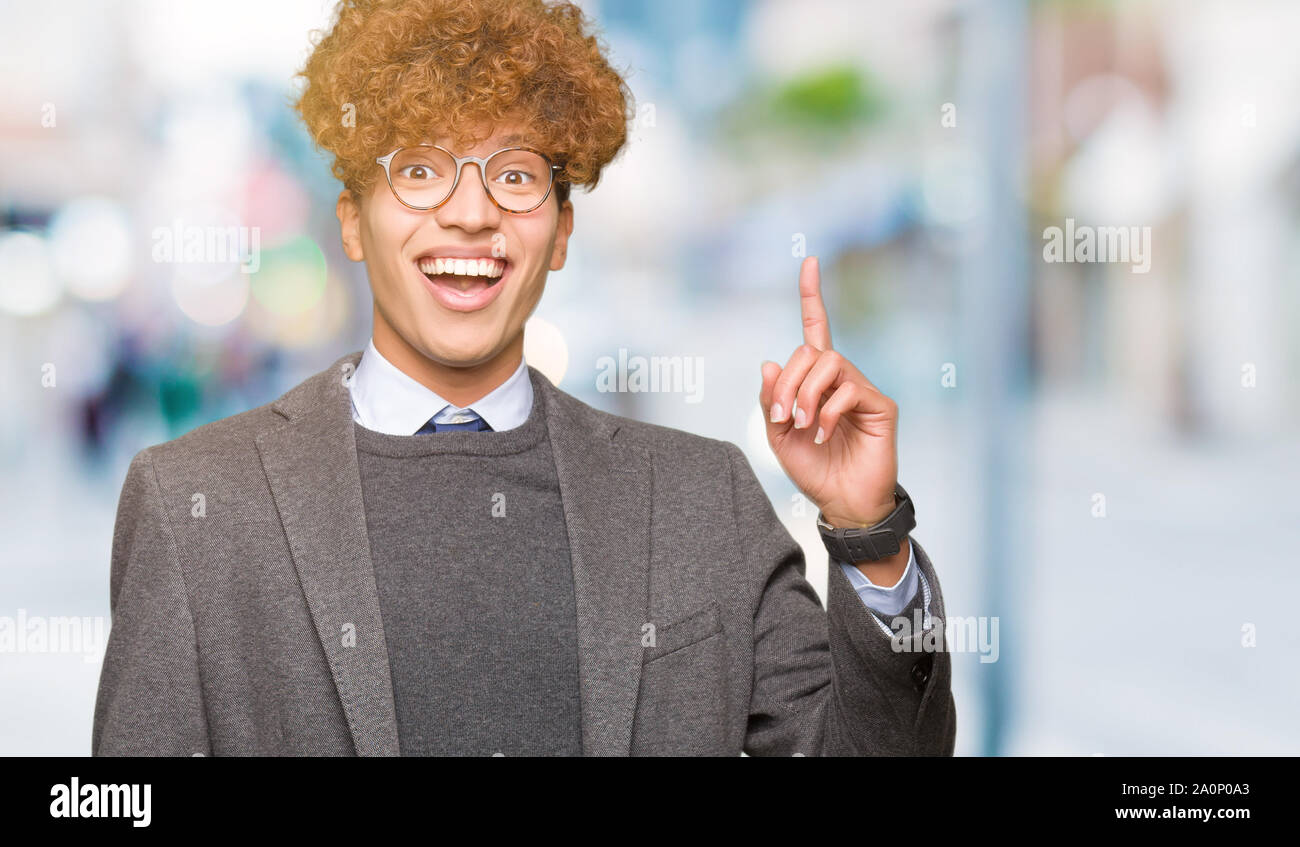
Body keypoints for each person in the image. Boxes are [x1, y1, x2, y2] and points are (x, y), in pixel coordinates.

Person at [93, 0, 955, 756]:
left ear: (563, 230)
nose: (471, 213)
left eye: (514, 175)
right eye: (421, 169)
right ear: (352, 220)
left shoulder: (704, 497)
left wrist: (869, 536)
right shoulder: (194, 505)